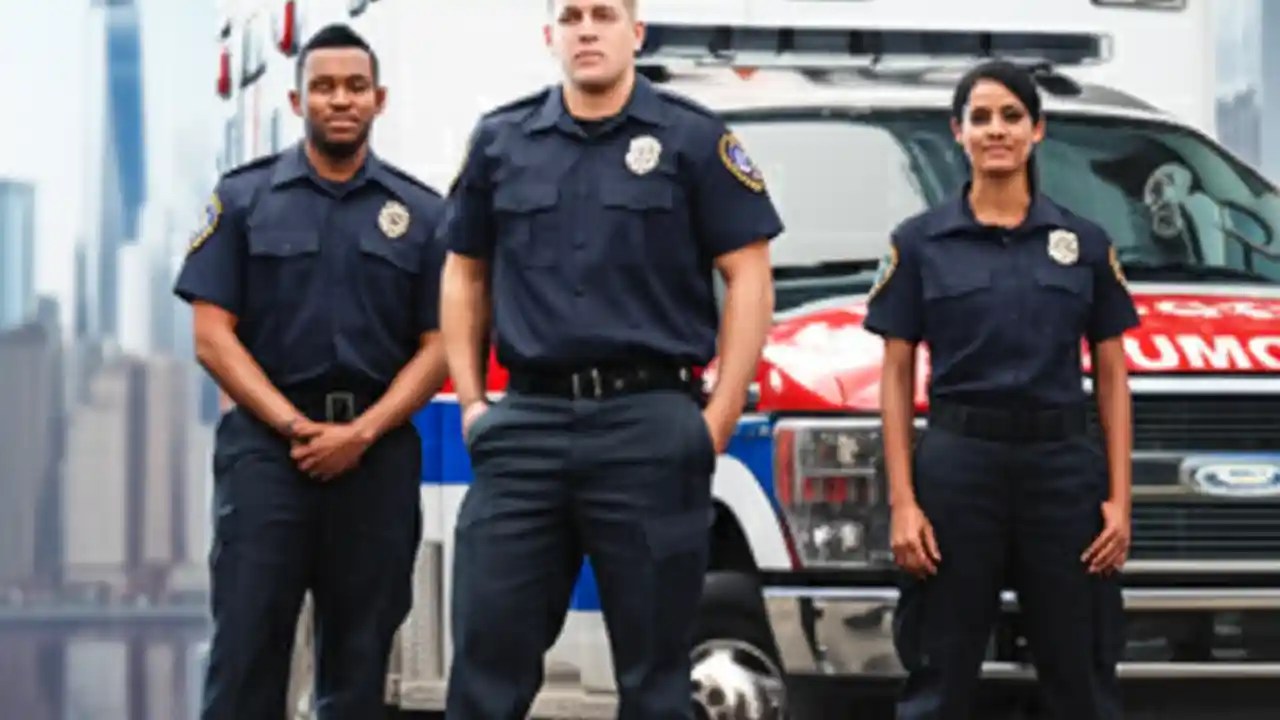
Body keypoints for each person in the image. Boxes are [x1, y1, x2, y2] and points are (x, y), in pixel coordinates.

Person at [435, 0, 783, 717]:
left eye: (603, 13)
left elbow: (749, 272)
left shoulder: (692, 139)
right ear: (550, 36)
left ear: (636, 33)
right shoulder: (502, 141)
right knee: (485, 664)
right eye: (571, 15)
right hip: (525, 425)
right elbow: (464, 271)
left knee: (656, 679)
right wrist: (473, 403)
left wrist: (715, 417)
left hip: (648, 425)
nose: (587, 28)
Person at [173, 24, 448, 720]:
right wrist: (296, 426)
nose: (340, 100)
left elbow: (442, 344)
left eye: (355, 86)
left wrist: (362, 432)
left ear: (378, 99)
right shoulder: (243, 200)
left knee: (358, 671)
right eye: (323, 87)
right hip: (268, 453)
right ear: (297, 102)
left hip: (376, 456)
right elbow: (212, 336)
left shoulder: (422, 215)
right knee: (245, 659)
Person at [862, 60, 1139, 720]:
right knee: (939, 673)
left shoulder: (1085, 244)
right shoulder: (919, 245)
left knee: (1083, 674)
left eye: (1011, 116)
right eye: (980, 117)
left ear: (1037, 130)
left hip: (1062, 474)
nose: (996, 130)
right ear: (957, 132)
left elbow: (1112, 375)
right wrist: (903, 502)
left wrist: (1119, 502)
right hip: (960, 469)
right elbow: (897, 376)